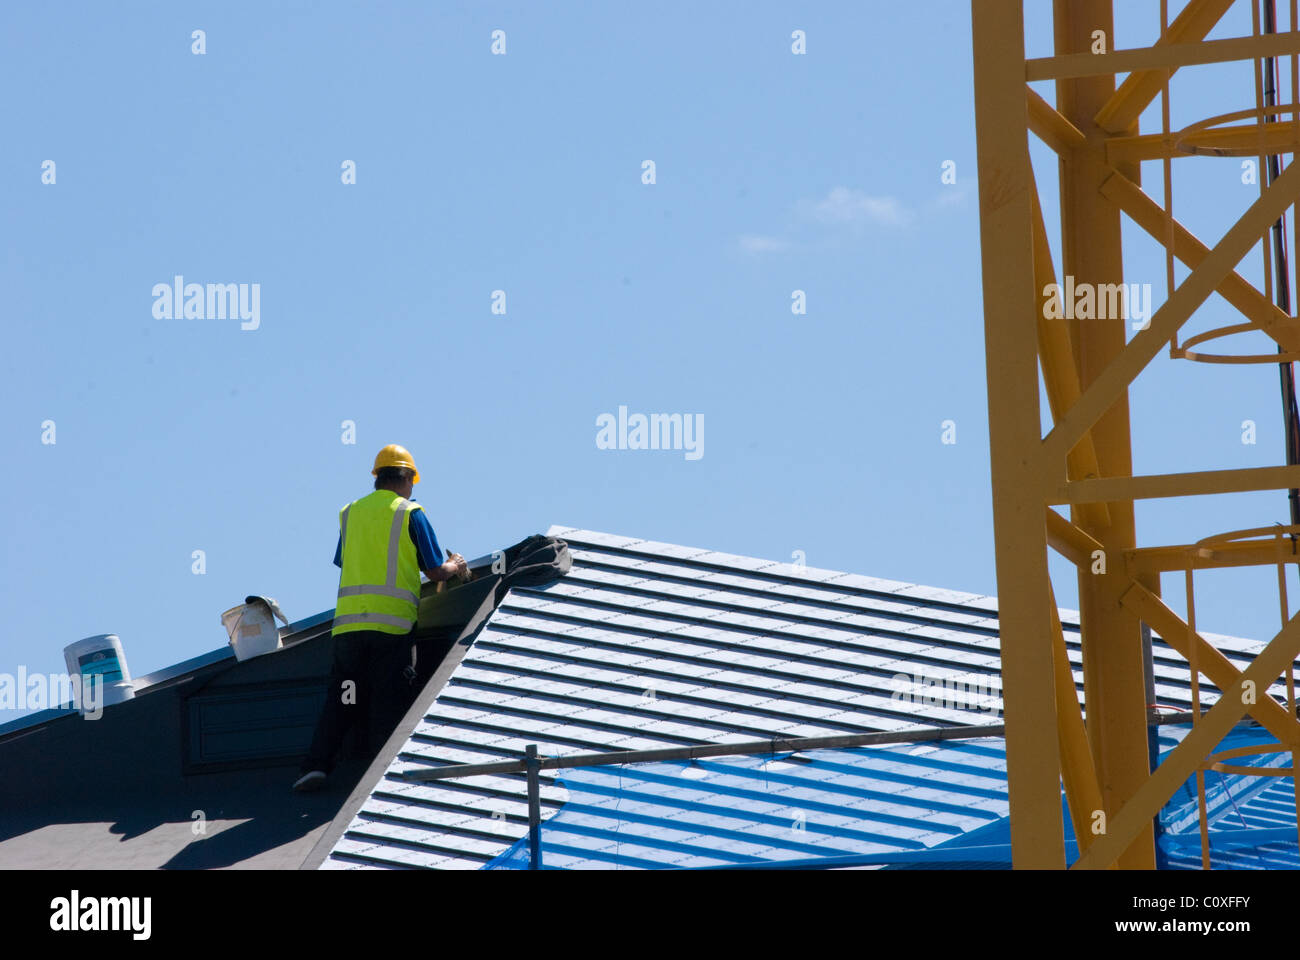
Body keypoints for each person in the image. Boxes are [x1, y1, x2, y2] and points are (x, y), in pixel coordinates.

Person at [293, 444, 468, 792]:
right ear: (406, 479)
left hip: (347, 629)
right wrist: (457, 567)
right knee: (390, 700)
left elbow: (348, 562)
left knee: (343, 697)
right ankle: (382, 780)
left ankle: (316, 767)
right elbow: (435, 571)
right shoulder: (410, 512)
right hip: (391, 628)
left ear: (378, 478)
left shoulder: (351, 512)